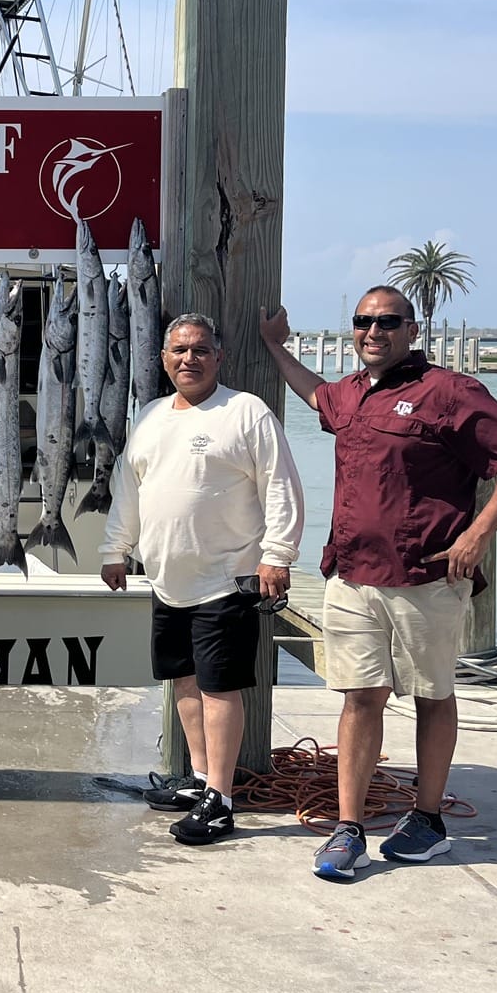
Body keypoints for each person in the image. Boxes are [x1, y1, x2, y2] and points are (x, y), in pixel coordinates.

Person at [261, 285, 497, 880]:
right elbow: (314, 392)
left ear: (412, 331)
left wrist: (479, 535)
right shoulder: (354, 394)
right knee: (359, 696)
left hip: (426, 578)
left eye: (388, 322)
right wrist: (274, 347)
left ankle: (428, 817)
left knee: (432, 694)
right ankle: (349, 827)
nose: (373, 331)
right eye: (363, 321)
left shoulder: (449, 391)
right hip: (351, 574)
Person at [100, 314, 305, 846]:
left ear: (219, 357)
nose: (188, 359)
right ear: (163, 358)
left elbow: (281, 485)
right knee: (185, 682)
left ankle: (222, 798)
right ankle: (196, 779)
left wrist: (278, 556)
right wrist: (114, 549)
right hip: (168, 580)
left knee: (219, 689)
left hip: (228, 577)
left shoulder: (245, 411)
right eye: (178, 350)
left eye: (200, 350)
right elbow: (130, 489)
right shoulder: (149, 416)